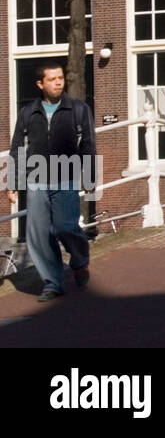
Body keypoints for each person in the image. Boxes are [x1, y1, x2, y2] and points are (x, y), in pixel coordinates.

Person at [7, 63, 95, 302]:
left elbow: (88, 143)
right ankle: (52, 282)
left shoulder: (77, 108)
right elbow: (18, 147)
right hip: (36, 178)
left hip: (66, 175)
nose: (58, 82)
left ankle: (79, 261)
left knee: (65, 227)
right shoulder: (28, 112)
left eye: (60, 78)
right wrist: (13, 182)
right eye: (53, 79)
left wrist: (89, 178)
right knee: (38, 234)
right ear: (40, 84)